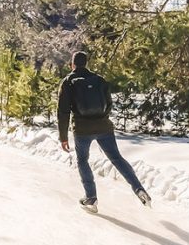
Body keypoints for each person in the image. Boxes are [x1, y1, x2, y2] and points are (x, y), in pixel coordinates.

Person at [57, 51, 151, 214]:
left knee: (83, 160)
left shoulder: (68, 82)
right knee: (116, 158)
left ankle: (91, 198)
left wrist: (63, 137)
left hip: (82, 129)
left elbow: (63, 112)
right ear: (86, 63)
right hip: (104, 127)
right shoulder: (99, 80)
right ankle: (138, 189)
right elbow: (108, 103)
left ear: (72, 64)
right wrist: (101, 119)